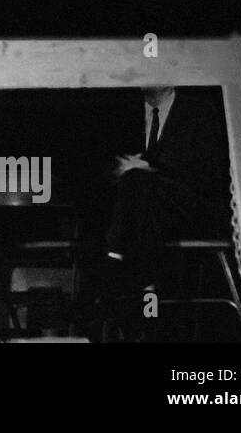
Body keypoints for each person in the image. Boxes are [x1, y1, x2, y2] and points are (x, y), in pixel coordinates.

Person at [98, 85, 232, 338]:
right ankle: (149, 292)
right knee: (137, 191)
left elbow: (211, 176)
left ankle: (113, 265)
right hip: (142, 219)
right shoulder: (122, 113)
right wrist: (125, 172)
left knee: (139, 182)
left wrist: (150, 171)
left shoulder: (200, 111)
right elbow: (103, 165)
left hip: (190, 211)